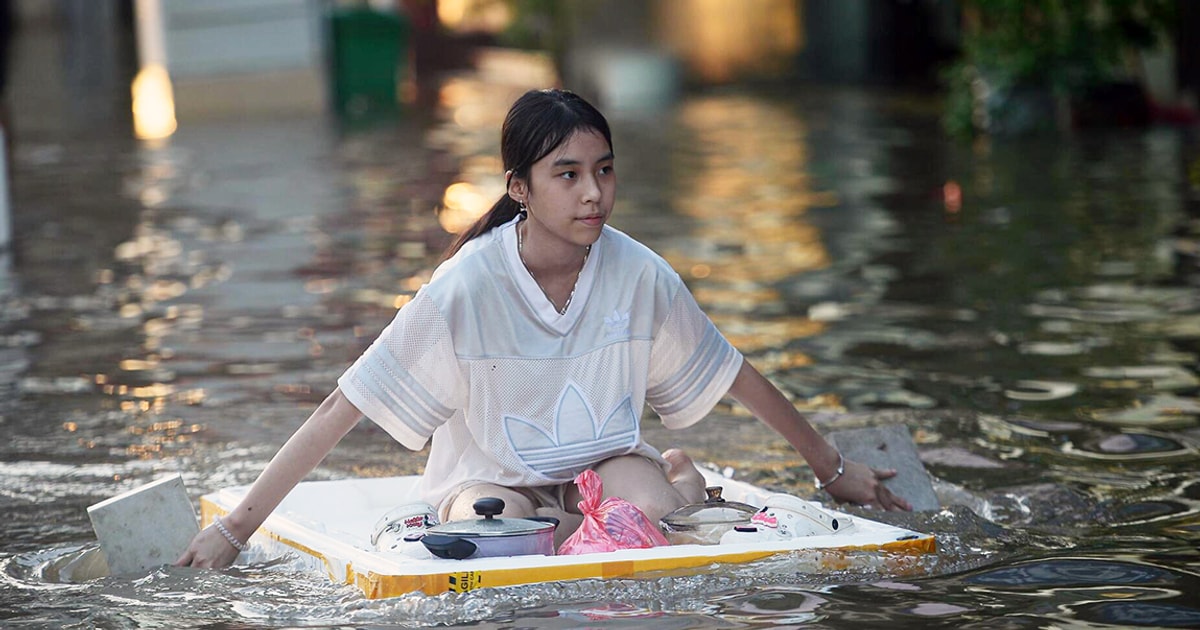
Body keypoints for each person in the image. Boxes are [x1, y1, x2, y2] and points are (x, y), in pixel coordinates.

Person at [176, 88, 909, 569]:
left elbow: (734, 372)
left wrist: (833, 470)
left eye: (605, 170)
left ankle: (677, 483)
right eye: (567, 175)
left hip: (608, 463)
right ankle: (656, 490)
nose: (594, 193)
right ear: (519, 189)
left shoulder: (639, 271)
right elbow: (347, 404)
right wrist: (234, 530)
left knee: (648, 516)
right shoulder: (465, 285)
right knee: (492, 540)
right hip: (494, 483)